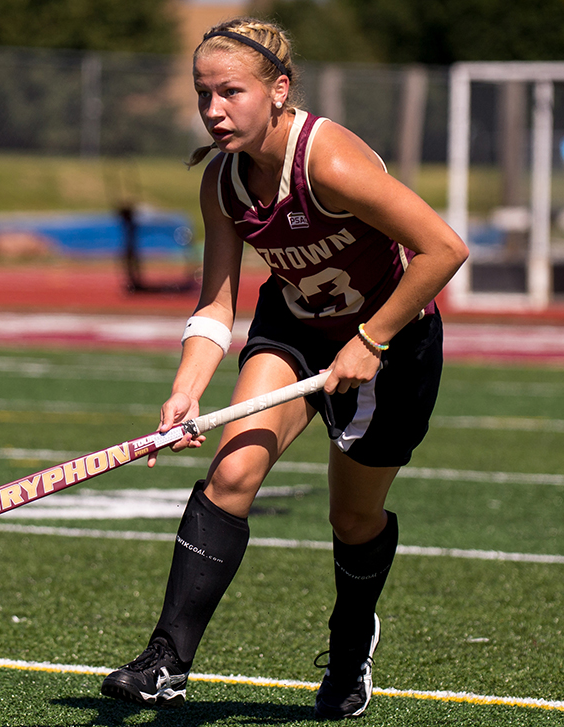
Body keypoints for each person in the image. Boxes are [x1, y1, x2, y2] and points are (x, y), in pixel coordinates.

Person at [100, 17, 468, 720]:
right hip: (295, 326)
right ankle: (166, 661)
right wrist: (185, 389)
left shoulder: (327, 160)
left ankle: (351, 638)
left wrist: (371, 338)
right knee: (232, 474)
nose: (213, 111)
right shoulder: (223, 182)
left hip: (394, 344)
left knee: (352, 516)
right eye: (204, 94)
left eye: (230, 92)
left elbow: (443, 249)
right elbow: (216, 303)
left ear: (279, 90)